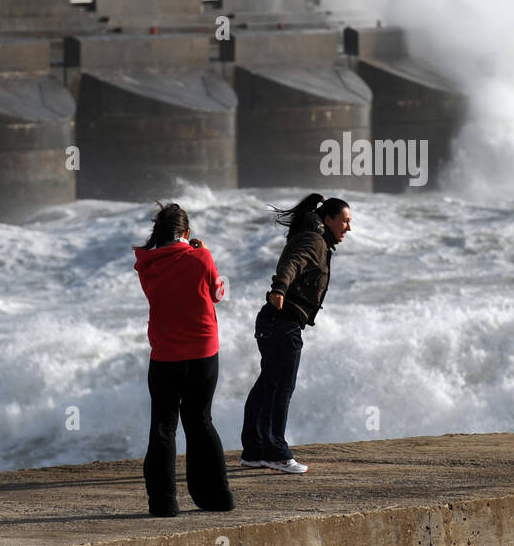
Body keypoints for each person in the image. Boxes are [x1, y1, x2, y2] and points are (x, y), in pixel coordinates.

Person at [133, 202, 235, 517]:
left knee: (163, 426)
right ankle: (217, 497)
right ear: (186, 233)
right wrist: (204, 251)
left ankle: (164, 502)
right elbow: (218, 293)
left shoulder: (146, 265)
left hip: (165, 355)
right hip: (203, 352)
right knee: (201, 420)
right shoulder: (201, 257)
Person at [240, 193, 352, 474]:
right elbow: (292, 261)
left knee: (268, 385)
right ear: (328, 219)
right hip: (282, 321)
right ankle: (276, 452)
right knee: (280, 388)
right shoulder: (313, 240)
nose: (348, 228)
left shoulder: (315, 238)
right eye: (345, 221)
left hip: (275, 323)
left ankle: (254, 452)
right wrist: (279, 288)